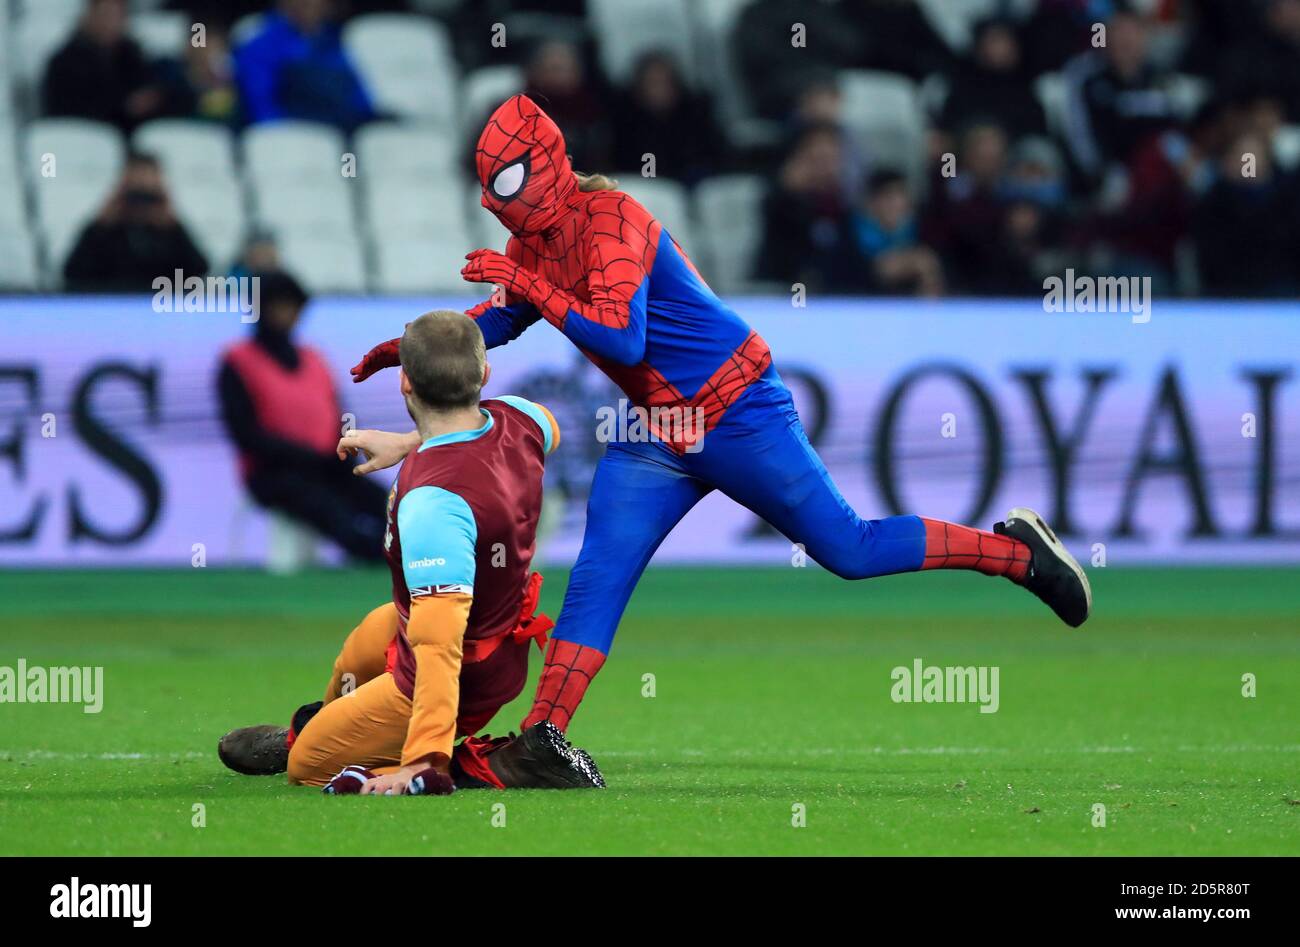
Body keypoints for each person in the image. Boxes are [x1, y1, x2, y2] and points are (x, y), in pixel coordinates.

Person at [346, 95, 1093, 740]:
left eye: (504, 180)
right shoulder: (533, 244)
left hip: (735, 407)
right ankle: (544, 735)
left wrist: (526, 284)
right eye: (488, 185)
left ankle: (1018, 554)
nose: (493, 200)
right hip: (657, 425)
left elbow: (621, 337)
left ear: (543, 164)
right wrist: (418, 346)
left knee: (850, 549)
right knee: (600, 570)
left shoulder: (613, 220)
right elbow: (503, 317)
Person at [218, 311, 604, 793]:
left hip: (465, 672)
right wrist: (408, 442)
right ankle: (319, 732)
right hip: (501, 638)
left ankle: (490, 763)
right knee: (369, 636)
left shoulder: (433, 505)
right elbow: (543, 426)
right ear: (484, 374)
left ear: (404, 381)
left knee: (307, 768)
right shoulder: (522, 417)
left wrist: (425, 762)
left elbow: (439, 647)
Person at [217, 270, 385, 562]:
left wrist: (344, 455)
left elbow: (341, 416)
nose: (286, 314)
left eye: (292, 307)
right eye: (278, 306)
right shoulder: (238, 361)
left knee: (386, 504)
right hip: (273, 473)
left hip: (327, 467)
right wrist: (305, 456)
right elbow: (244, 433)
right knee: (337, 517)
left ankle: (404, 553)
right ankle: (377, 559)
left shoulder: (313, 359)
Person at [63, 152, 207, 292]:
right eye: (134, 194)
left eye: (148, 196)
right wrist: (102, 224)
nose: (141, 204)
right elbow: (73, 272)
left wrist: (172, 226)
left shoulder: (169, 233)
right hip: (112, 301)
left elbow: (198, 271)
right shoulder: (106, 231)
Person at [233, 0, 377, 133]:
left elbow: (360, 103)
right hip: (292, 137)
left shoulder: (337, 44)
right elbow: (263, 110)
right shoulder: (260, 46)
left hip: (341, 132)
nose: (307, 4)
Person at [42, 0, 168, 133]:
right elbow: (68, 111)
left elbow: (149, 93)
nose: (113, 23)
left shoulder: (130, 54)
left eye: (119, 16)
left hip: (129, 136)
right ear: (90, 15)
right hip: (80, 136)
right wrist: (124, 108)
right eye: (107, 14)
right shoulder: (64, 62)